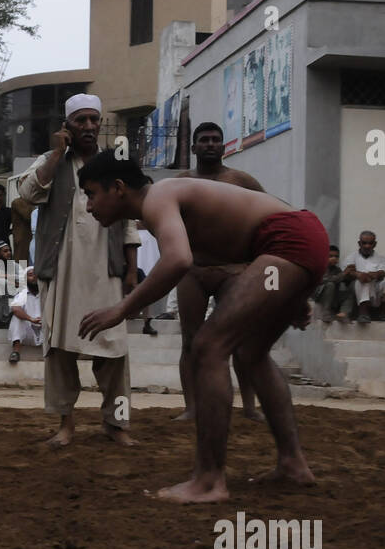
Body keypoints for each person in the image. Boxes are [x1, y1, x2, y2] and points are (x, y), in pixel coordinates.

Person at [77, 151, 327, 503]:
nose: (88, 206)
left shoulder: (159, 197)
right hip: (293, 241)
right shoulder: (165, 213)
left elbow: (179, 260)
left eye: (90, 193)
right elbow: (237, 241)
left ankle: (209, 481)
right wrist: (290, 293)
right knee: (251, 353)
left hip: (288, 240)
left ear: (118, 188)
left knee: (209, 347)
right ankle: (293, 463)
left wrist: (122, 309)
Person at [18, 93, 140, 448]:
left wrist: (132, 270)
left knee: (116, 352)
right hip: (63, 273)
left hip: (107, 272)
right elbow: (28, 193)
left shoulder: (116, 164)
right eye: (80, 121)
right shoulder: (51, 161)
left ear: (100, 123)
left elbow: (131, 218)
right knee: (59, 352)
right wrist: (57, 153)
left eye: (93, 120)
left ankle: (116, 425)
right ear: (67, 126)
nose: (88, 127)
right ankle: (65, 425)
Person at [173, 122, 266, 422]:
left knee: (241, 340)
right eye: (204, 140)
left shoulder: (241, 181)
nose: (210, 144)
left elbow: (268, 214)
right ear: (194, 147)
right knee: (190, 340)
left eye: (215, 140)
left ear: (224, 145)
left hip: (234, 269)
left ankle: (249, 407)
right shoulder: (182, 181)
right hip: (193, 270)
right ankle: (192, 407)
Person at [340, 231, 385, 323]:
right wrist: (359, 275)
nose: (367, 246)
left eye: (370, 243)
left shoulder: (381, 258)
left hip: (374, 290)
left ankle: (382, 311)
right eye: (364, 243)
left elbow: (382, 273)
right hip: (356, 292)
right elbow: (348, 272)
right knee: (363, 280)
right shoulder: (351, 257)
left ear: (375, 244)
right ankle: (363, 312)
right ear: (359, 243)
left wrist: (373, 275)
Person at [8, 265, 43, 364]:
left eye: (36, 275)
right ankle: (16, 351)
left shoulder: (47, 293)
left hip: (44, 332)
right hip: (28, 332)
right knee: (17, 318)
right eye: (30, 275)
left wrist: (46, 319)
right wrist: (30, 319)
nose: (34, 278)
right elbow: (15, 308)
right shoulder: (22, 294)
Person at [311, 246, 350, 322]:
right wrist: (343, 274)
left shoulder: (337, 269)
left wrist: (350, 275)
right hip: (319, 295)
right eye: (330, 256)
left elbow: (341, 280)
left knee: (349, 293)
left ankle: (343, 313)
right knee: (330, 285)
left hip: (332, 296)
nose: (334, 258)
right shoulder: (320, 267)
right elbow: (325, 280)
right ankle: (326, 313)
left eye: (336, 256)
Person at [10, 194, 34, 263]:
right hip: (23, 239)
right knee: (22, 265)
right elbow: (29, 216)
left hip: (33, 239)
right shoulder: (18, 202)